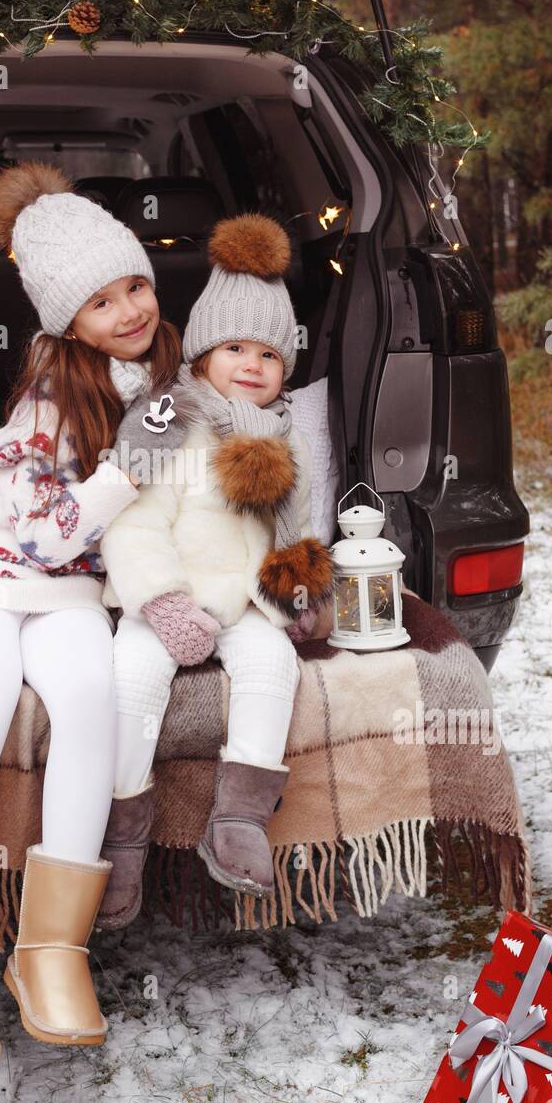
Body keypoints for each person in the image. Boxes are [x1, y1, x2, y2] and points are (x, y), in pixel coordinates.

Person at [0, 160, 181, 1077]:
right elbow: (55, 534)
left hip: (69, 594)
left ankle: (50, 947)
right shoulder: (46, 402)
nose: (129, 310)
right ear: (67, 322)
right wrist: (124, 469)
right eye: (101, 302)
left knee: (90, 707)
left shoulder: (160, 382)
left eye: (135, 283)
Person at [94, 213, 333, 930]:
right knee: (130, 680)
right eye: (234, 347)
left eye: (268, 353)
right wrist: (163, 605)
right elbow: (132, 524)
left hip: (243, 602)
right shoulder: (170, 424)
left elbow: (292, 535)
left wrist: (301, 599)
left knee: (271, 671)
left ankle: (238, 821)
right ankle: (119, 835)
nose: (252, 364)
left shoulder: (282, 439)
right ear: (201, 355)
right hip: (162, 598)